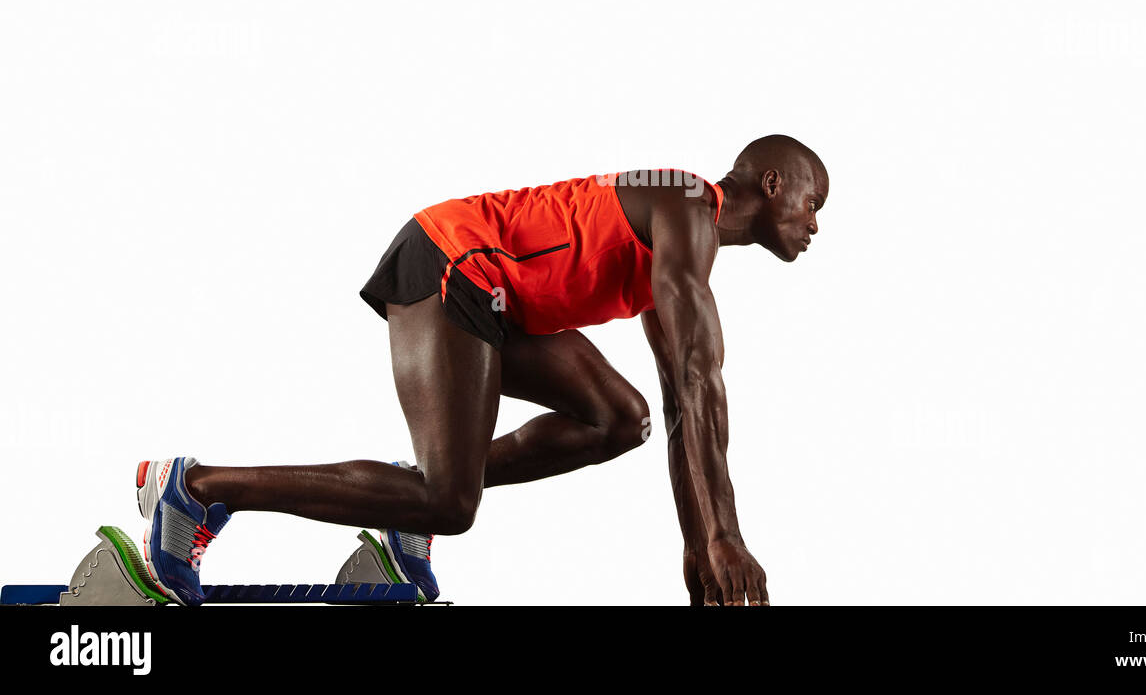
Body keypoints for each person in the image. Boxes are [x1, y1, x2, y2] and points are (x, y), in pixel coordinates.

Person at [135, 134, 828, 606]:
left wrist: (697, 546)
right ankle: (194, 488)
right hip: (452, 261)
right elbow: (702, 387)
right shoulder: (685, 204)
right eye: (812, 203)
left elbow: (683, 405)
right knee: (451, 504)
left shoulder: (678, 245)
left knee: (621, 420)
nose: (814, 225)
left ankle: (404, 501)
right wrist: (723, 536)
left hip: (503, 302)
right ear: (773, 184)